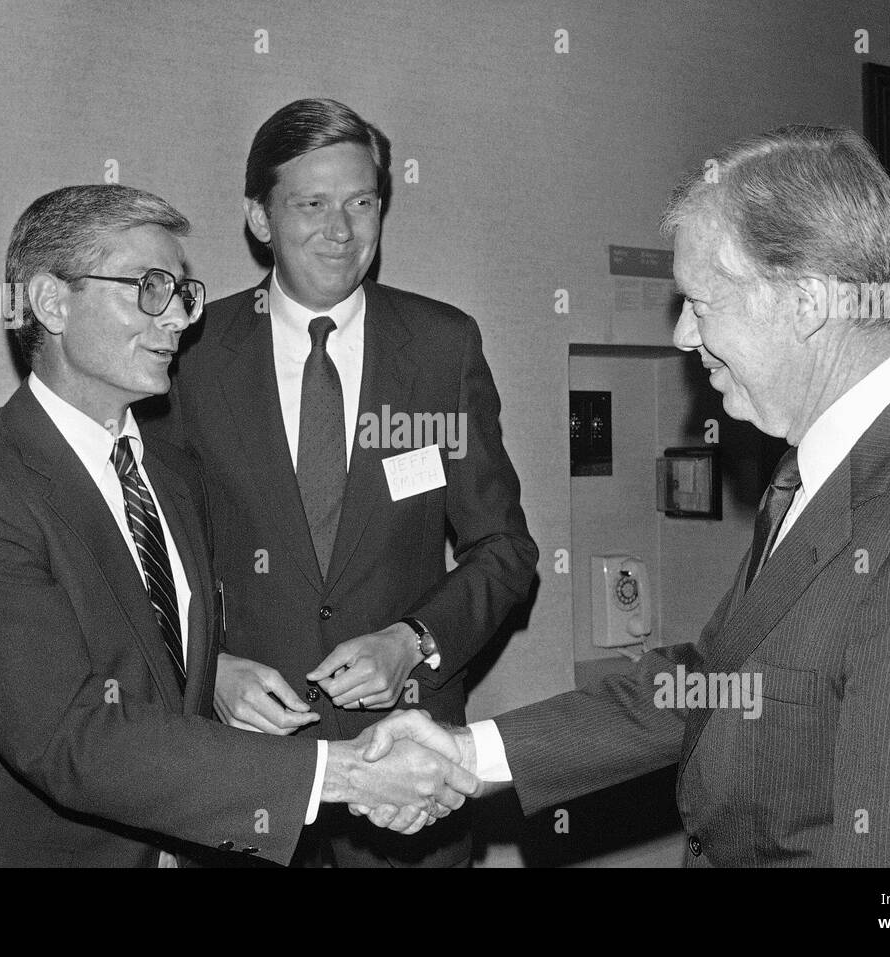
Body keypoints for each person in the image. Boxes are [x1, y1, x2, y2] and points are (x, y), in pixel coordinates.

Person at [361, 126, 890, 866]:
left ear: (808, 301)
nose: (685, 333)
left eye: (701, 300)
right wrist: (472, 753)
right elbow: (717, 686)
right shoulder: (823, 468)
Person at [0, 184, 478, 867]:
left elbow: (153, 669)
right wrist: (342, 773)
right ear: (51, 302)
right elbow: (73, 738)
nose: (177, 319)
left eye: (183, 293)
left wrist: (215, 677)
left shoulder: (169, 474)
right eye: (149, 287)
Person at [142, 98, 538, 867]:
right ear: (260, 218)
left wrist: (414, 642)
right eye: (312, 204)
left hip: (406, 774)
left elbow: (504, 550)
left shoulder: (441, 346)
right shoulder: (188, 352)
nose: (341, 230)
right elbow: (148, 558)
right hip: (246, 773)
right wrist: (209, 669)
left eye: (362, 202)